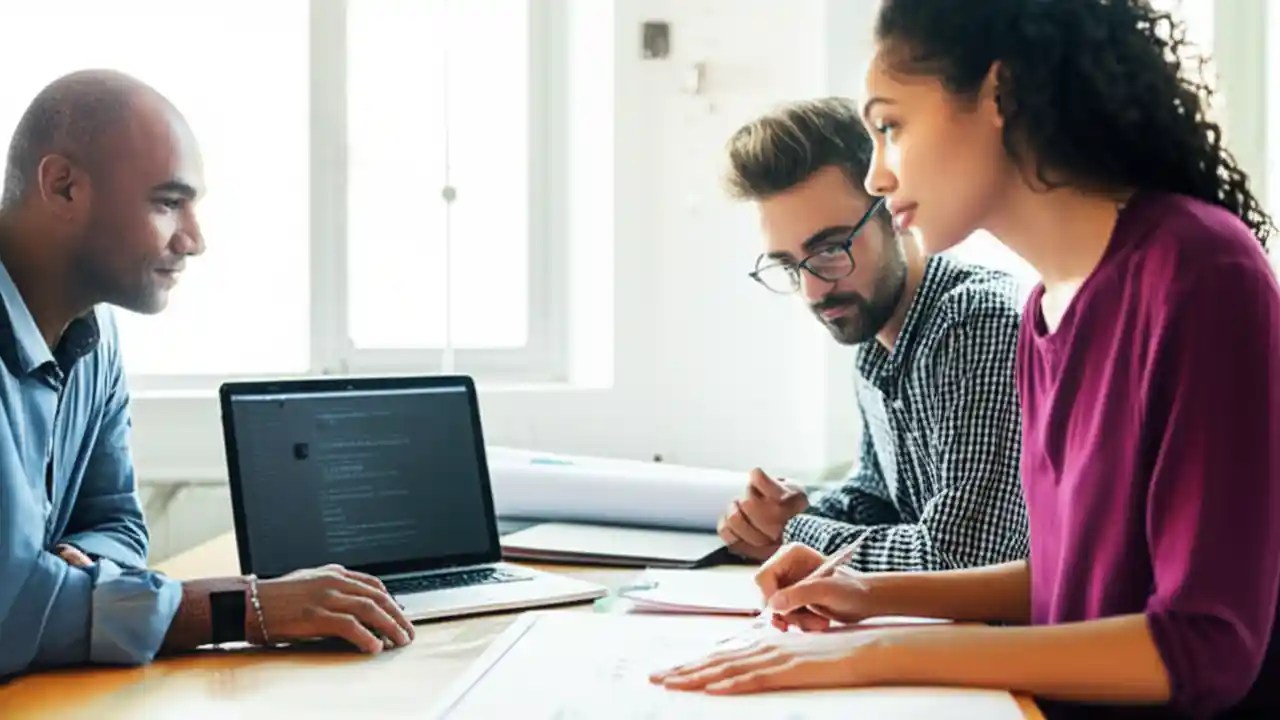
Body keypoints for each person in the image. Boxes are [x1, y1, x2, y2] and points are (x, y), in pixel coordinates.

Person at [652, 1, 1280, 717]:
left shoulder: (1201, 273)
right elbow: (1073, 580)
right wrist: (865, 595)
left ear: (997, 95)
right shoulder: (1046, 305)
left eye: (890, 128)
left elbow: (1208, 646)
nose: (879, 179)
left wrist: (872, 654)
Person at [0, 70, 415, 679]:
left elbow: (115, 521)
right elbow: (8, 616)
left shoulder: (95, 336)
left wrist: (72, 579)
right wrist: (245, 609)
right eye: (168, 203)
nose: (193, 240)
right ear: (63, 187)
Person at [714, 98, 1028, 572]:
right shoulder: (874, 341)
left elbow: (962, 557)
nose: (814, 289)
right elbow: (879, 500)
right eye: (788, 265)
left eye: (831, 249)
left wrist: (796, 531)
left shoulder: (974, 323)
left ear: (894, 212)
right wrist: (779, 517)